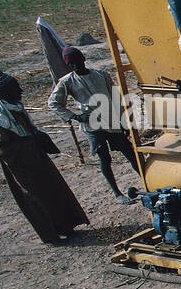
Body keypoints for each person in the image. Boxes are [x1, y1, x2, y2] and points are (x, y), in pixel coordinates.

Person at [0, 70, 89, 245]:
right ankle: (53, 236)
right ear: (4, 91)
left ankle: (66, 227)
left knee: (54, 192)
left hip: (36, 158)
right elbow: (4, 148)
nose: (20, 91)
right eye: (16, 88)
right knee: (37, 199)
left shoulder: (12, 106)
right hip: (23, 167)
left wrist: (38, 138)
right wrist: (31, 143)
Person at [47, 46, 140, 204]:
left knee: (129, 152)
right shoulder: (67, 81)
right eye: (72, 64)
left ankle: (146, 180)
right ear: (69, 65)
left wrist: (124, 121)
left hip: (111, 120)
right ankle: (117, 194)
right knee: (104, 158)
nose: (76, 66)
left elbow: (115, 98)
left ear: (84, 59)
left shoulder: (101, 75)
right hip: (92, 125)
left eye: (78, 61)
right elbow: (54, 102)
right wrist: (75, 116)